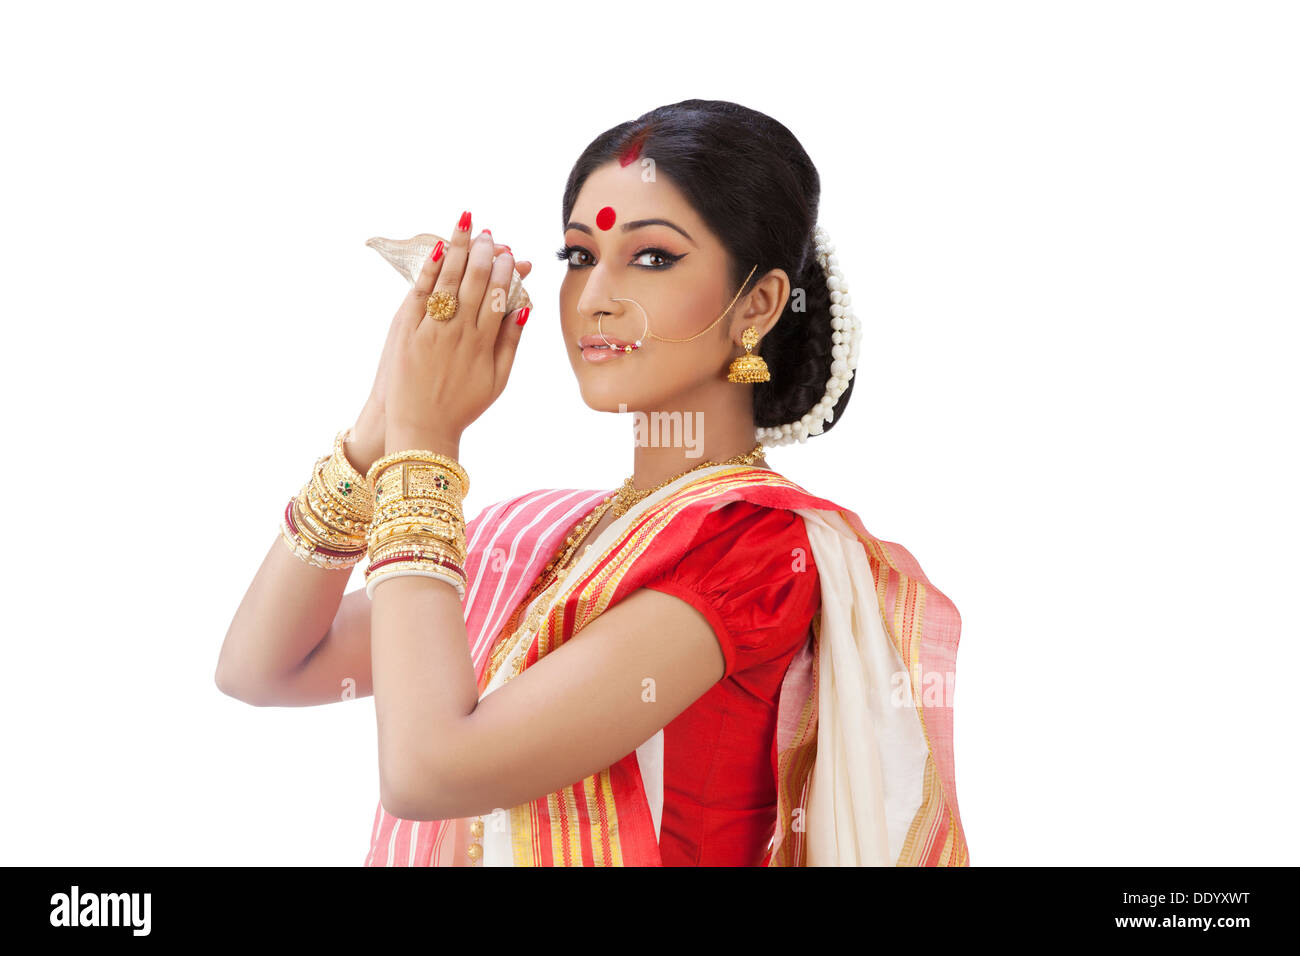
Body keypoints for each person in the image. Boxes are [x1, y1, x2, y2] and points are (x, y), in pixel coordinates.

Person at [216, 99, 968, 867]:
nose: (595, 297)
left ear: (760, 304)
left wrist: (425, 443)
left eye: (650, 257)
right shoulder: (537, 532)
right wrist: (379, 429)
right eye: (579, 255)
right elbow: (262, 667)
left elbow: (429, 770)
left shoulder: (757, 552)